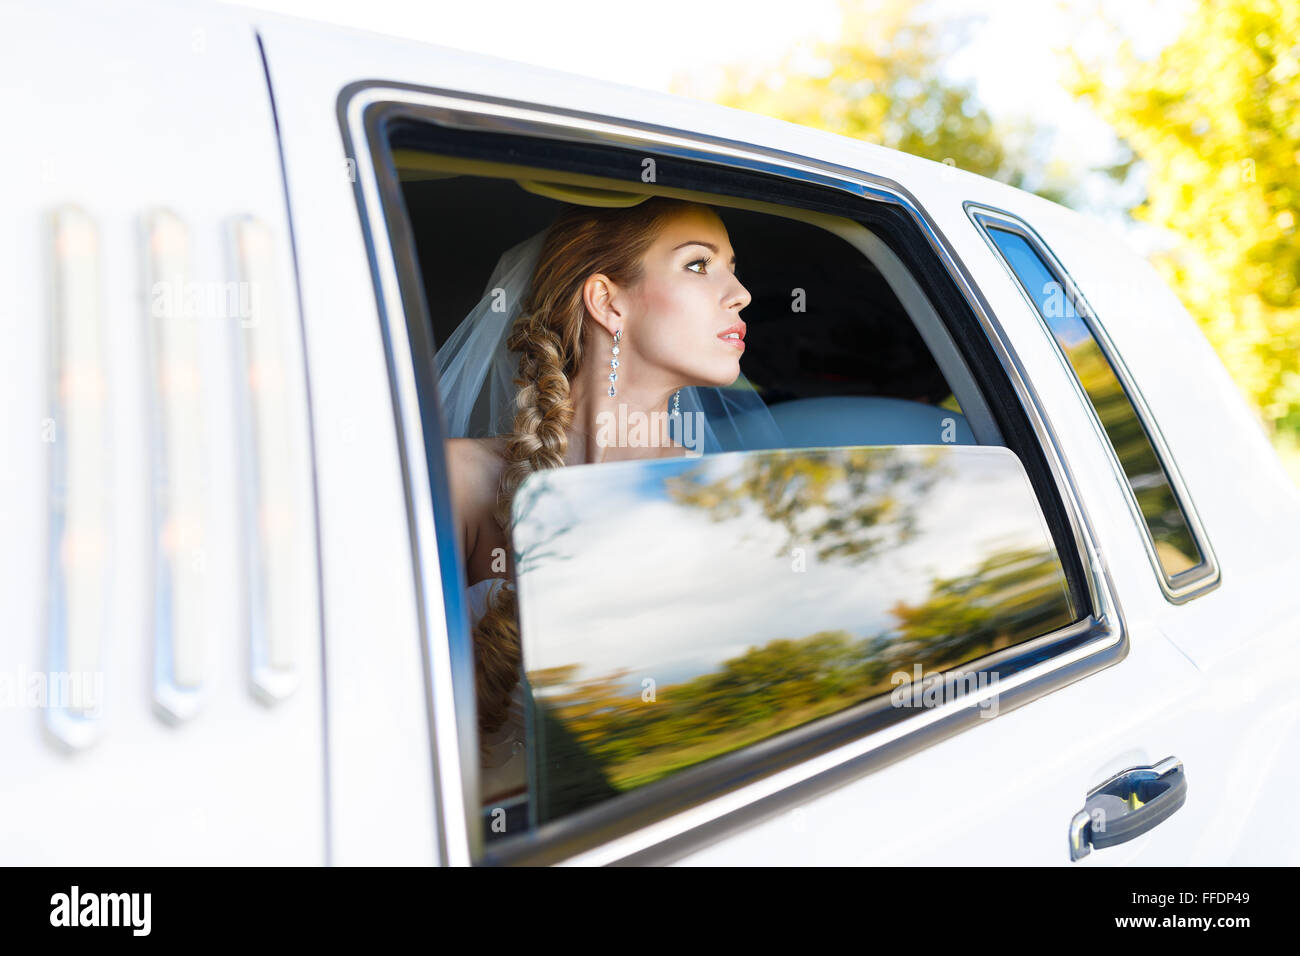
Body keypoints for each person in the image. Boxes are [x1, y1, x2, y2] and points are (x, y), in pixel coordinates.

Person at [439, 195, 778, 809]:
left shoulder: (724, 504)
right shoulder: (459, 478)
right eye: (701, 265)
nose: (742, 293)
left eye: (733, 265)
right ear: (607, 302)